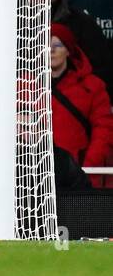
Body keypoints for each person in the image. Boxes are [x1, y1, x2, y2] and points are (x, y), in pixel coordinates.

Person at [51, 23, 113, 175]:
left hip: (80, 172)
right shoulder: (25, 85)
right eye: (46, 44)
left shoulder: (92, 86)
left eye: (58, 44)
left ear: (69, 50)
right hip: (36, 175)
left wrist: (87, 165)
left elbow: (104, 129)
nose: (51, 50)